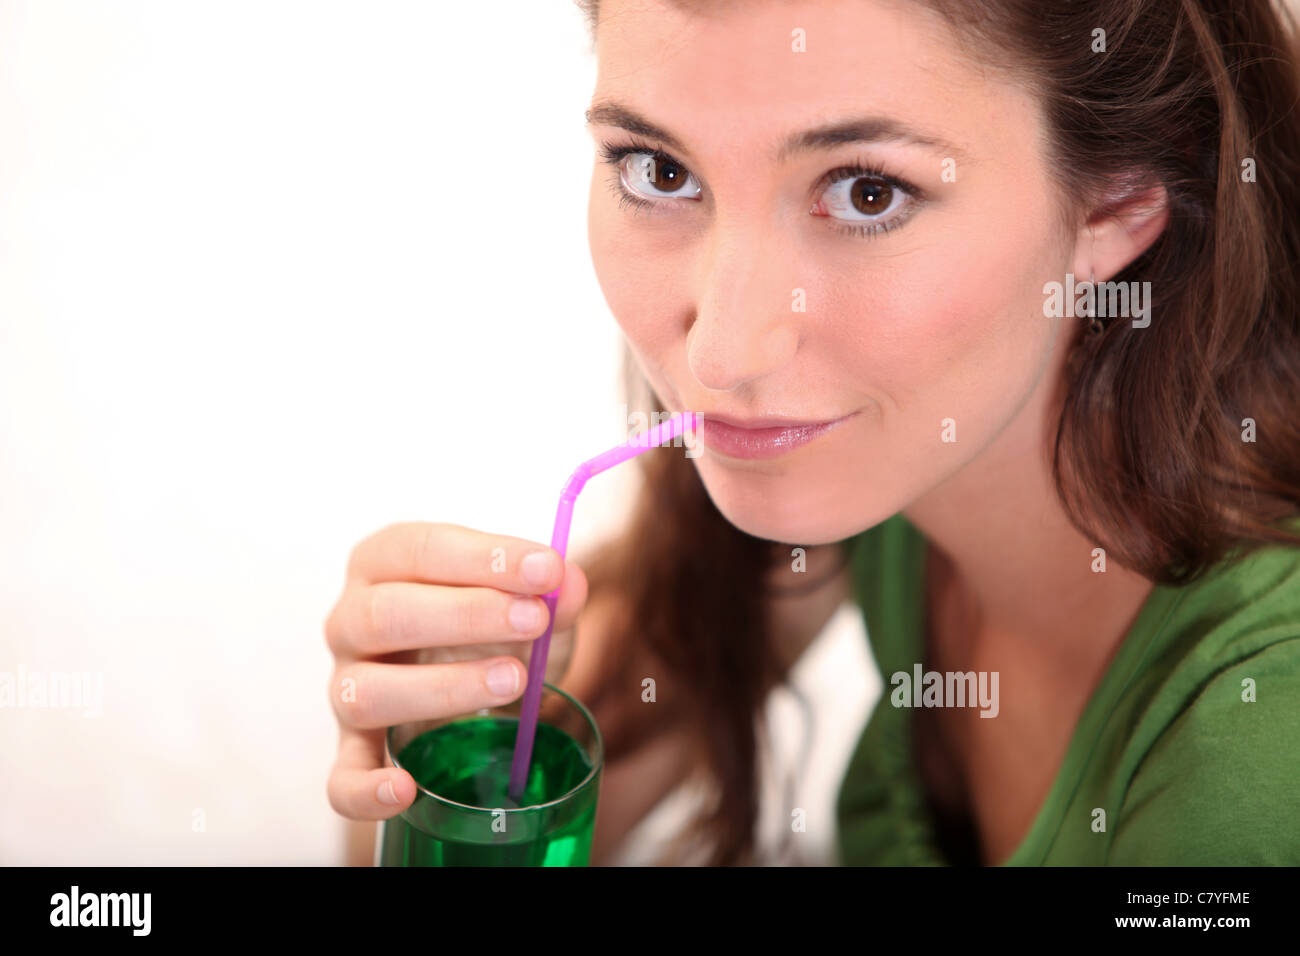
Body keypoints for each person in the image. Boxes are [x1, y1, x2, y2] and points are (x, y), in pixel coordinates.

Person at [324, 0, 1300, 865]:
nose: (723, 351)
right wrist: (461, 762)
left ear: (1118, 201)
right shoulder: (872, 467)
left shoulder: (1255, 761)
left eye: (867, 192)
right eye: (658, 169)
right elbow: (577, 788)